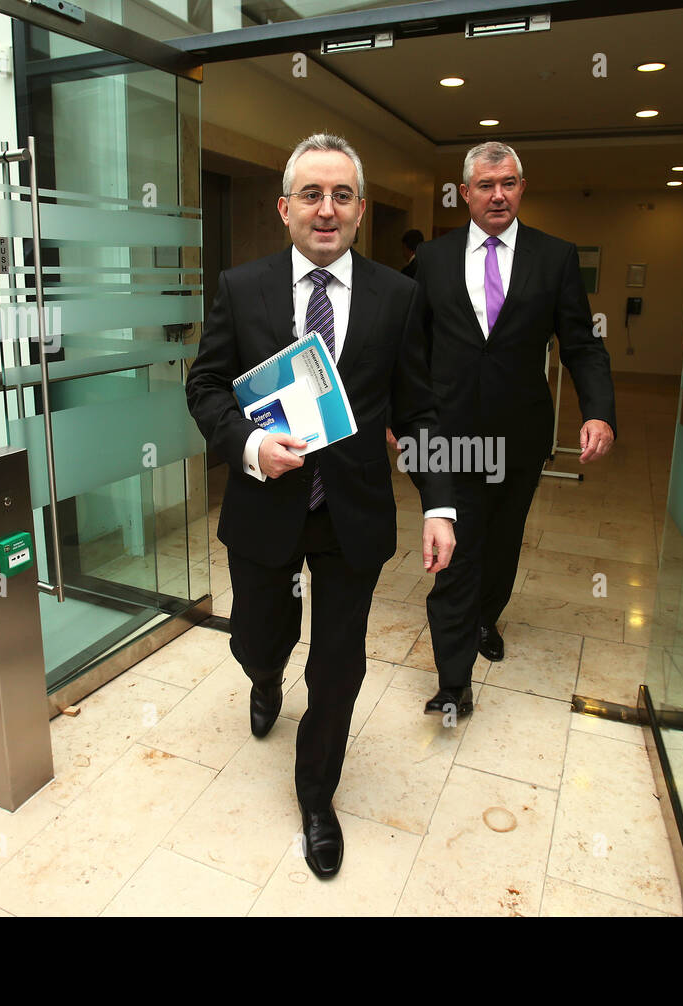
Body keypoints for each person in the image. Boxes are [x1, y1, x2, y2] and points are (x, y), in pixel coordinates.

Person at [185, 134, 456, 880]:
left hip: (354, 513)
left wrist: (441, 505)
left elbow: (422, 410)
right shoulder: (243, 288)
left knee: (337, 667)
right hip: (266, 502)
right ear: (284, 208)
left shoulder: (399, 297)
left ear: (361, 210)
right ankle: (265, 676)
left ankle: (316, 798)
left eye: (341, 195)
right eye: (311, 194)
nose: (326, 209)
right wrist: (248, 446)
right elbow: (204, 387)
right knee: (256, 638)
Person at [415, 141, 615, 718]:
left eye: (507, 183)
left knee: (500, 547)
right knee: (455, 550)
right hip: (447, 439)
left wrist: (597, 410)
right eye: (485, 184)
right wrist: (399, 419)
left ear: (521, 188)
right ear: (465, 193)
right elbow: (412, 348)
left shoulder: (555, 258)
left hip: (518, 437)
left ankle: (485, 618)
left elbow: (580, 343)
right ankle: (453, 680)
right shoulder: (432, 258)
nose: (497, 194)